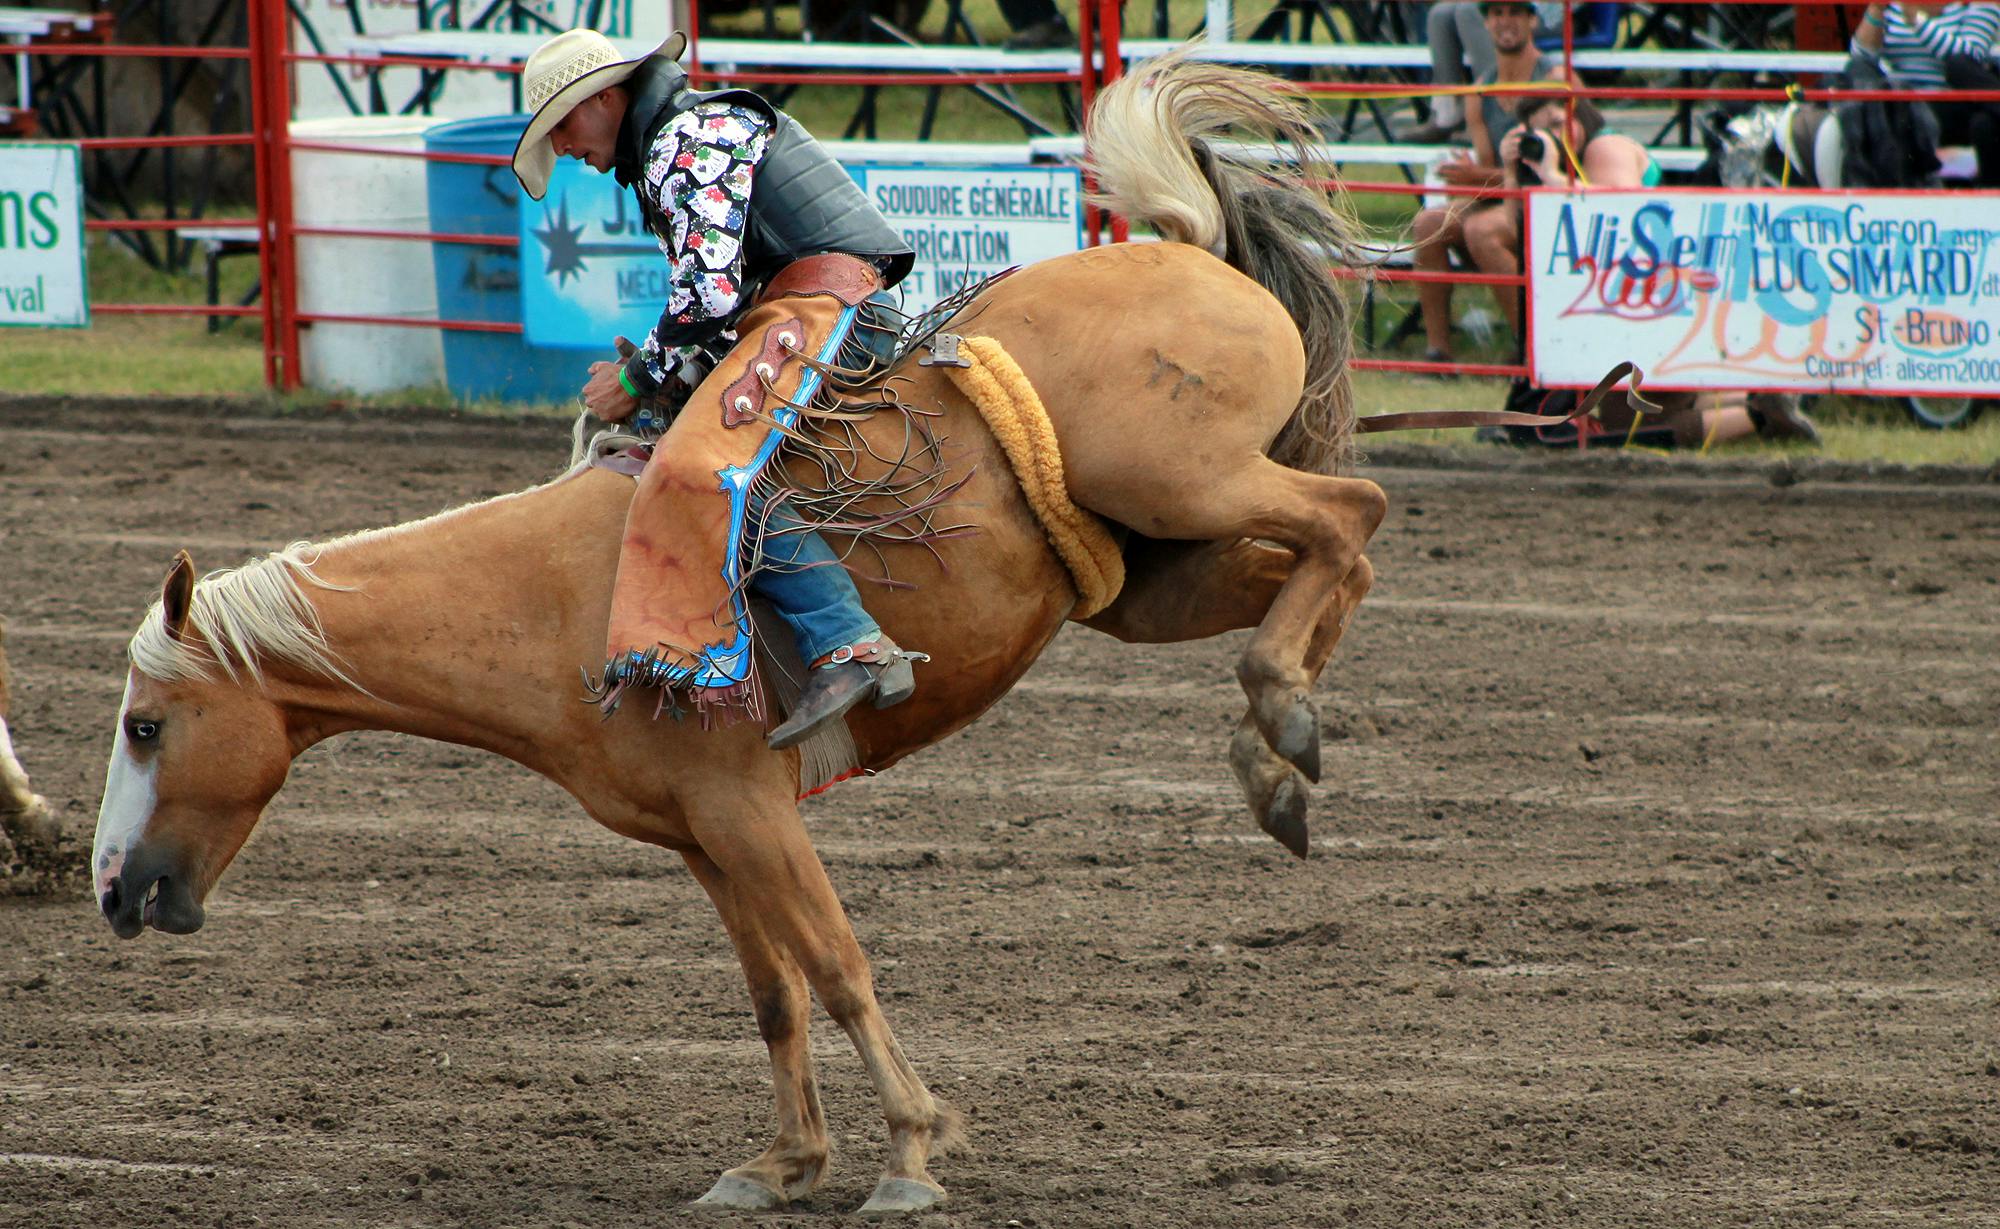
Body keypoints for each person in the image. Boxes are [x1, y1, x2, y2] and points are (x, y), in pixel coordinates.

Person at [511, 28, 925, 749]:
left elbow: (706, 298)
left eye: (565, 127)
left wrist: (637, 378)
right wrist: (662, 369)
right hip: (818, 305)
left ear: (605, 97)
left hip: (826, 309)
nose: (567, 149)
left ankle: (846, 641)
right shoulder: (690, 133)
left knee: (703, 465)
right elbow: (716, 301)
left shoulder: (684, 140)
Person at [1491, 97, 1820, 446]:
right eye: (1541, 129)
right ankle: (1763, 405)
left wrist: (1553, 177)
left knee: (1630, 429)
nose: (1553, 135)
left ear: (1580, 117)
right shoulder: (1563, 163)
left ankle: (1760, 415)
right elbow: (1519, 234)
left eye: (1559, 122)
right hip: (1636, 301)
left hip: (1646, 300)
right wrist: (1514, 172)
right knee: (1638, 416)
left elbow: (1620, 207)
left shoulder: (1604, 147)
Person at [1407, 1, 1565, 365]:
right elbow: (1497, 175)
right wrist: (1468, 180)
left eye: (1514, 12)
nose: (1505, 21)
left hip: (1546, 198)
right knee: (1430, 222)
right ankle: (1438, 354)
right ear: (1486, 22)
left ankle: (1531, 351)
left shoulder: (1553, 77)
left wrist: (1473, 177)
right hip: (1506, 195)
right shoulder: (1481, 91)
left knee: (1482, 230)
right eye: (1496, 13)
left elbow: (1540, 171)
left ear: (1532, 19)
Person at [1851, 1, 2000, 185]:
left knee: (1959, 72)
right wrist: (1876, 10)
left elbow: (1967, 58)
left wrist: (1917, 21)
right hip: (1902, 101)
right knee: (1859, 73)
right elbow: (1862, 57)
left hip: (1951, 101)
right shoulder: (1895, 8)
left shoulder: (1978, 5)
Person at [1402, 0, 1565, 143]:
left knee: (1469, 10)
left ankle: (1490, 103)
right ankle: (1448, 113)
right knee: (1440, 13)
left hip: (1553, 12)